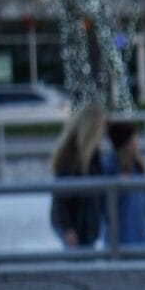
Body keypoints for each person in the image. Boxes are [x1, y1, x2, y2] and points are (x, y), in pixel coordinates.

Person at [101, 121, 145, 248]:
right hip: (118, 240)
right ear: (126, 141)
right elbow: (103, 207)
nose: (137, 140)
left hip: (141, 237)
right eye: (134, 137)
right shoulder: (108, 168)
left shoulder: (137, 168)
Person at [48, 103, 109, 248]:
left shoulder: (93, 155)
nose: (102, 132)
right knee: (80, 263)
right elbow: (60, 199)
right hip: (74, 224)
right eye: (100, 127)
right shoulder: (70, 157)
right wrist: (68, 228)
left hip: (87, 224)